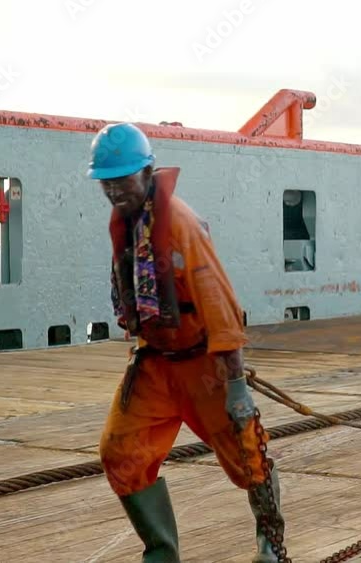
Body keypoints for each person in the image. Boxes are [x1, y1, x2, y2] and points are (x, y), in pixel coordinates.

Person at [88, 123, 287, 563]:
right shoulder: (124, 221)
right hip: (155, 362)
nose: (116, 191)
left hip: (205, 364)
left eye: (122, 180)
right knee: (120, 451)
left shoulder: (181, 225)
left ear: (147, 172)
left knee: (247, 453)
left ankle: (270, 543)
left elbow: (219, 303)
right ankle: (161, 550)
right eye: (107, 183)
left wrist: (236, 385)